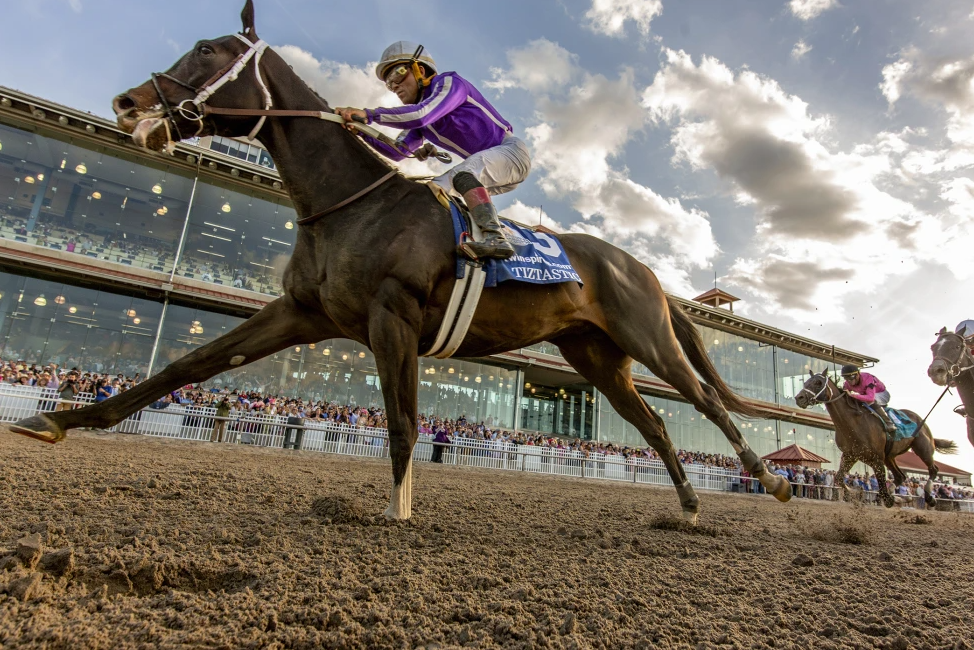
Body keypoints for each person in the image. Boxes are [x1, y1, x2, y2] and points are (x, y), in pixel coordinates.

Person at [334, 41, 532, 261]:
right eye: (389, 84)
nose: (395, 86)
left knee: (454, 180)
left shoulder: (449, 83)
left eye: (398, 75)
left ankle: (495, 238)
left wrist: (369, 114)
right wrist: (361, 131)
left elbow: (421, 114)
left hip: (511, 153)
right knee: (434, 193)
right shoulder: (421, 121)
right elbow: (398, 151)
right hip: (489, 169)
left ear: (420, 69)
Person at [840, 365, 896, 433]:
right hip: (866, 395)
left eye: (851, 377)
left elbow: (870, 398)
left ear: (858, 374)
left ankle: (889, 423)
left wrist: (852, 395)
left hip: (882, 395)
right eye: (846, 377)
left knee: (868, 401)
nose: (849, 381)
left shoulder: (868, 379)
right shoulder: (847, 384)